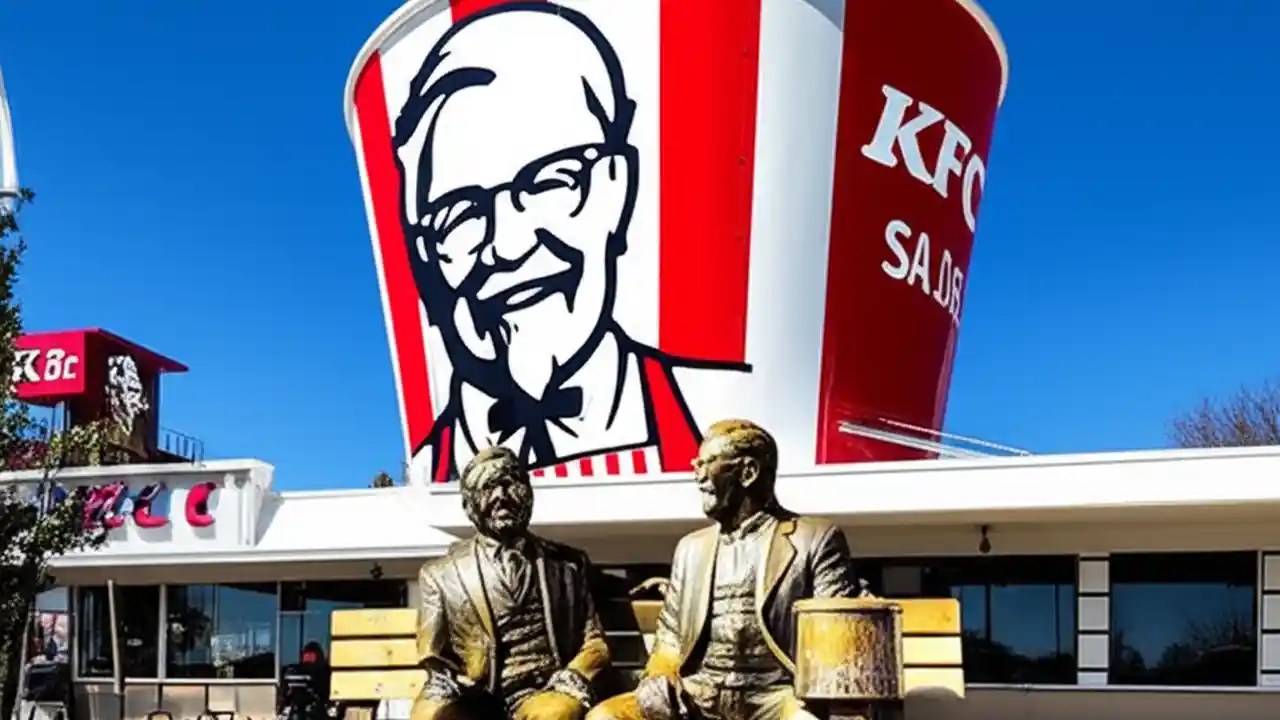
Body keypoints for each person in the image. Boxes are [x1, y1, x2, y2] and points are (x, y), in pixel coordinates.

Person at [393, 2, 750, 481]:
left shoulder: (726, 414)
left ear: (617, 187)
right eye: (462, 214)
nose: (509, 246)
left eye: (550, 182)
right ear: (424, 254)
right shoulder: (418, 481)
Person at [588, 420, 861, 720]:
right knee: (606, 717)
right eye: (696, 464)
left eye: (707, 463)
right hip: (701, 693)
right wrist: (660, 677)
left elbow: (835, 638)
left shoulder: (815, 538)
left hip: (777, 695)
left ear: (748, 472)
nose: (698, 475)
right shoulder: (691, 549)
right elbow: (670, 638)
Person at [413, 446, 610, 720]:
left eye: (509, 484)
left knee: (555, 713)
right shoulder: (440, 574)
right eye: (487, 488)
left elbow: (594, 640)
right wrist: (452, 683)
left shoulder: (568, 564)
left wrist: (572, 677)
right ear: (468, 505)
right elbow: (433, 655)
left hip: (545, 690)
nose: (501, 497)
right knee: (430, 715)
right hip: (474, 697)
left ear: (528, 493)